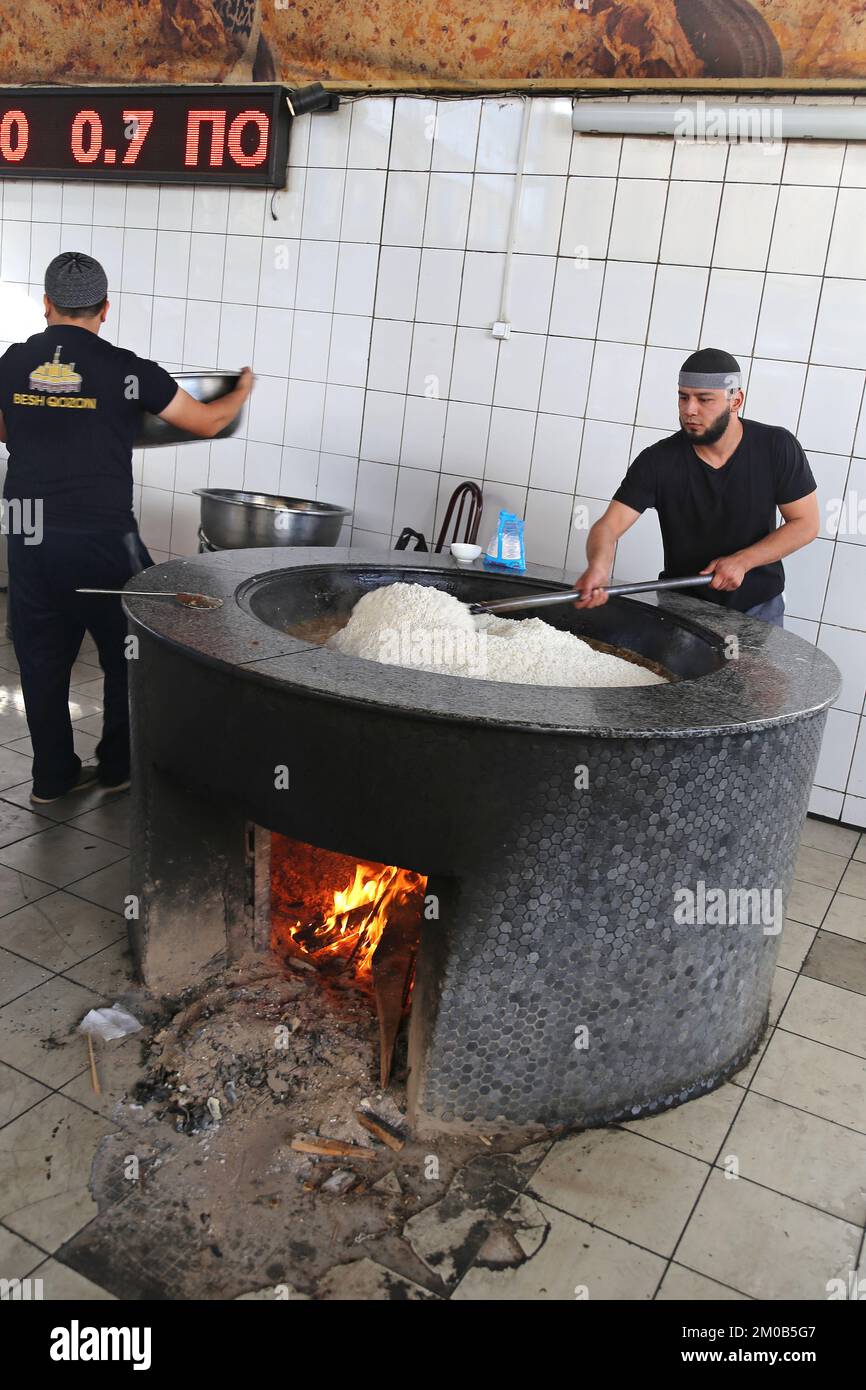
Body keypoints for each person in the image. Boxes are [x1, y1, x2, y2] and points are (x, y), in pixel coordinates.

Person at [0, 251, 254, 804]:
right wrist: (242, 389)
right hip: (99, 534)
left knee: (41, 658)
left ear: (46, 306)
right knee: (127, 650)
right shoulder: (125, 368)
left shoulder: (12, 361)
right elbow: (210, 420)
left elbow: (6, 428)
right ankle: (116, 766)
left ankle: (52, 779)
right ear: (105, 310)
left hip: (26, 529)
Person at [573, 347, 819, 628]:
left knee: (753, 673)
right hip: (683, 608)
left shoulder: (776, 447)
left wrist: (743, 560)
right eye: (683, 397)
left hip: (758, 607)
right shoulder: (658, 461)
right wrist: (599, 567)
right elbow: (608, 527)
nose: (689, 409)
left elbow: (805, 524)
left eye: (704, 400)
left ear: (735, 400)